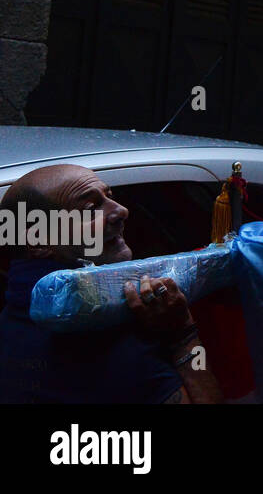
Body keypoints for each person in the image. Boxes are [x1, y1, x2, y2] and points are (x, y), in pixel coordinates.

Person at [0, 165, 222, 403]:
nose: (122, 211)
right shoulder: (106, 338)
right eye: (91, 208)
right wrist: (185, 337)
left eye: (110, 197)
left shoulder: (11, 321)